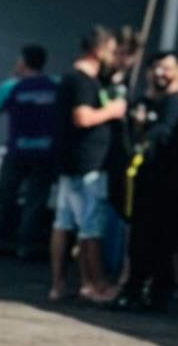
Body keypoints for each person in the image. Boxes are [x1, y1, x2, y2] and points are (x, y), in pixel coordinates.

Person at [49, 27, 125, 305]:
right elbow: (82, 117)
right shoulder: (82, 82)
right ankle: (95, 283)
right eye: (111, 49)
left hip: (71, 164)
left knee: (64, 222)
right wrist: (113, 111)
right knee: (91, 227)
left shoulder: (74, 79)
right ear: (99, 49)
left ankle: (59, 284)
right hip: (86, 164)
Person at [0, 44, 62, 261]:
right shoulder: (55, 86)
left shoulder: (11, 86)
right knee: (35, 201)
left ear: (22, 62)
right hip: (45, 152)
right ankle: (25, 247)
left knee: (2, 198)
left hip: (18, 150)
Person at [116, 47, 178, 313]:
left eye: (166, 67)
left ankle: (156, 293)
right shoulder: (145, 101)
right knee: (141, 239)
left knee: (161, 241)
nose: (160, 73)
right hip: (144, 181)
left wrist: (145, 130)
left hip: (170, 183)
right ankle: (136, 289)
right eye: (156, 67)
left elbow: (164, 136)